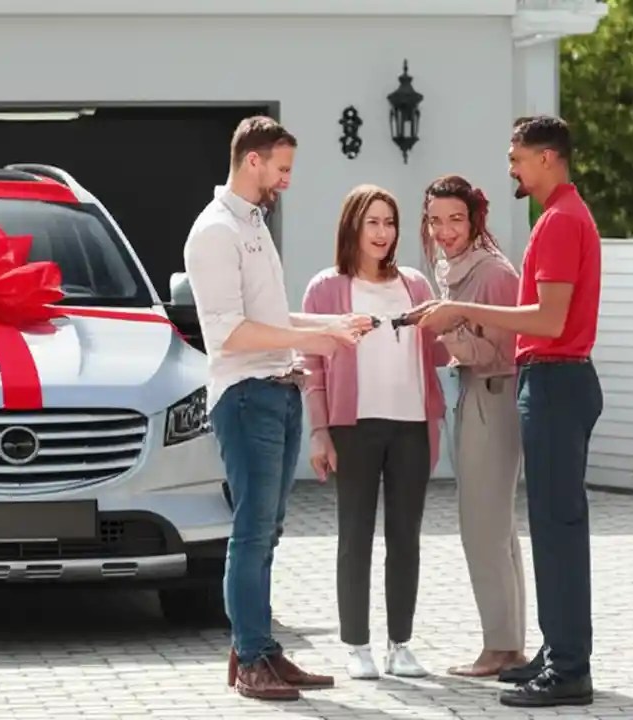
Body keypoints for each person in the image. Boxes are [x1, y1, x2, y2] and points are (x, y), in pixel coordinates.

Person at [182, 116, 374, 702]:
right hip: (246, 398)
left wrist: (330, 325)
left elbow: (274, 317)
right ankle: (251, 662)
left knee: (270, 530)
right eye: (283, 168)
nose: (287, 180)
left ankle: (258, 650)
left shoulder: (254, 225)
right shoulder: (215, 232)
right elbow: (229, 335)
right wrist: (316, 342)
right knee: (251, 531)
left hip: (278, 391)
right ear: (253, 160)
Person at [415, 115, 603, 708]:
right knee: (548, 529)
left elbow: (548, 321)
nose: (511, 167)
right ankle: (555, 652)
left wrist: (461, 311)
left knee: (558, 533)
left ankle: (568, 668)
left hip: (556, 382)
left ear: (547, 157)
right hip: (553, 382)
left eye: (517, 157)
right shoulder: (558, 218)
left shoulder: (561, 222)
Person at [300, 184, 449, 682]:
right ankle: (356, 645)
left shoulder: (416, 285)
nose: (383, 233)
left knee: (405, 537)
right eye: (373, 222)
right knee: (355, 536)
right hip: (353, 427)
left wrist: (454, 314)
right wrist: (320, 431)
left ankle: (400, 645)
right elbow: (313, 366)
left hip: (412, 425)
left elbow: (440, 354)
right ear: (353, 226)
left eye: (389, 223)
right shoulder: (326, 287)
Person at [419, 174, 528, 678]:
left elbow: (504, 352)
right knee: (495, 529)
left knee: (484, 531)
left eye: (455, 220)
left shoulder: (493, 273)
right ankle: (507, 644)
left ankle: (500, 648)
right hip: (473, 395)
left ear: (474, 219)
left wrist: (448, 334)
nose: (444, 231)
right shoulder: (451, 266)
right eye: (436, 220)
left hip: (494, 396)